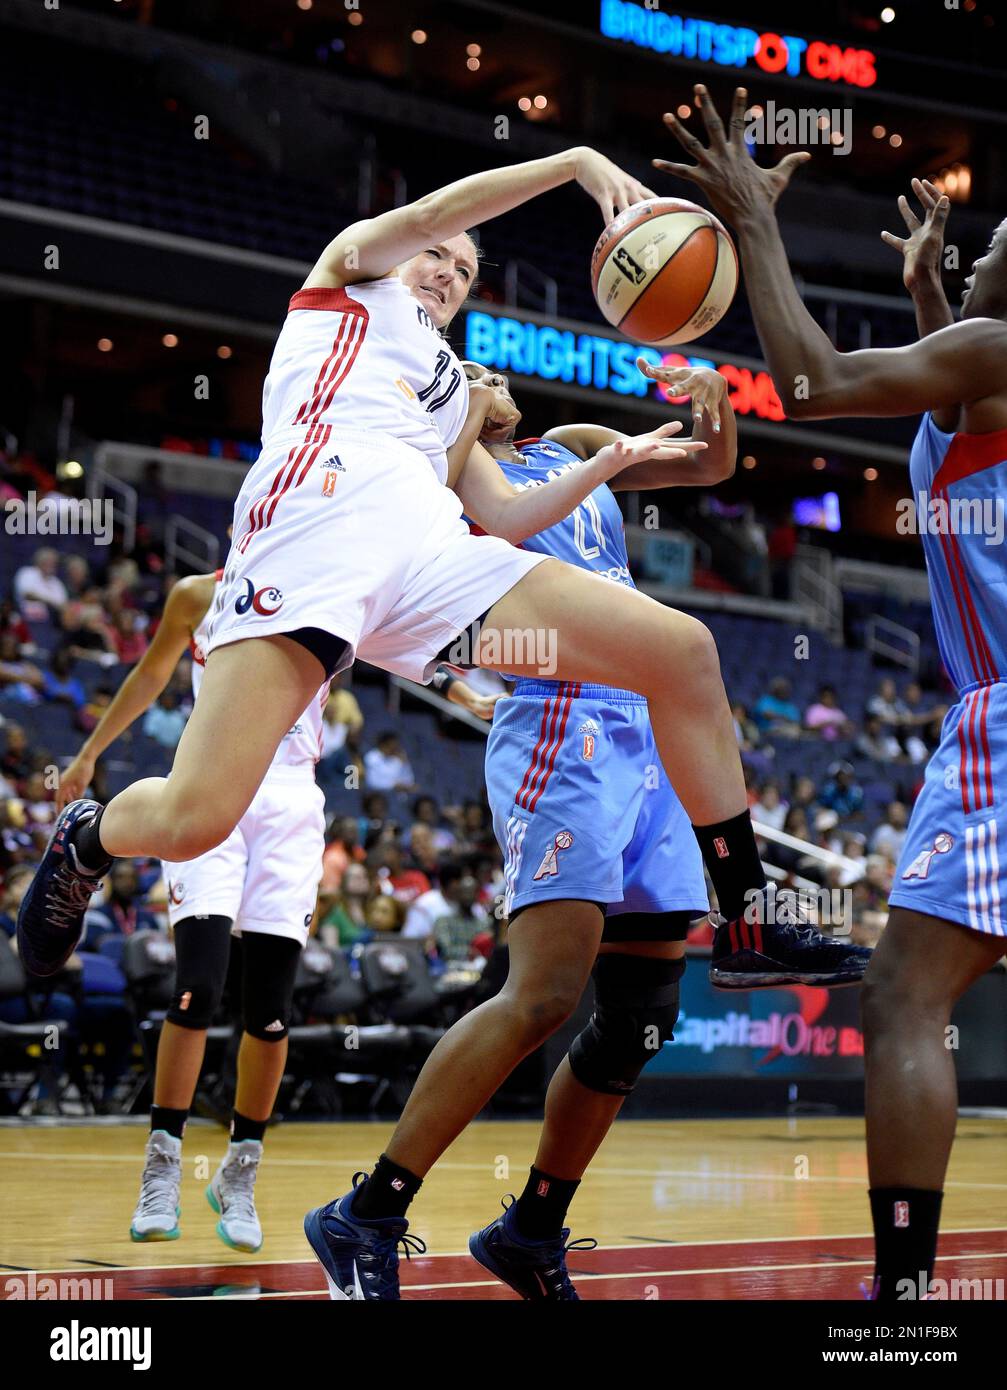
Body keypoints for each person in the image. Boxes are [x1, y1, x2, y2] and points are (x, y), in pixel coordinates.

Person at [18, 136, 863, 1279]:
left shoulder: (454, 391)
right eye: (443, 256)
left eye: (465, 274)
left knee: (682, 650)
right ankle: (87, 836)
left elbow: (504, 523)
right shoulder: (348, 279)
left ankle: (749, 918)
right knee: (196, 818)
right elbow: (441, 216)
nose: (449, 273)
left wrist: (611, 464)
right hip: (311, 540)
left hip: (426, 564)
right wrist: (571, 164)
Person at [308, 359, 868, 1302]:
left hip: (647, 728)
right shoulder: (436, 475)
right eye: (465, 372)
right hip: (559, 729)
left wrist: (713, 407)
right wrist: (463, 418)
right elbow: (441, 563)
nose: (487, 375)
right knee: (540, 998)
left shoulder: (557, 449)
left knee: (642, 1016)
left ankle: (531, 1228)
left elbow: (706, 468)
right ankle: (367, 1208)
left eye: (485, 368)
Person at [656, 85, 1007, 1300]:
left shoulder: (992, 353)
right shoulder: (973, 364)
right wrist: (925, 291)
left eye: (997, 244)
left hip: (1001, 712)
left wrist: (753, 220)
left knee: (906, 989)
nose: (983, 246)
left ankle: (901, 1298)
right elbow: (946, 405)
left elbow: (806, 386)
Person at [55, 569, 329, 1252]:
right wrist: (91, 753)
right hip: (212, 783)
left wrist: (463, 688)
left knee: (268, 1012)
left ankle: (239, 1172)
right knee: (196, 989)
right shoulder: (196, 596)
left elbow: (414, 647)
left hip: (291, 803)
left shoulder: (336, 583)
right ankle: (162, 1163)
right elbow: (149, 677)